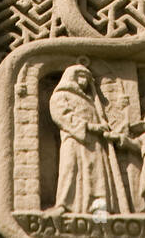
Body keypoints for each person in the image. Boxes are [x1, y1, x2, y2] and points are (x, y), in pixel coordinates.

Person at [48, 65, 124, 215]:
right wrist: (89, 127)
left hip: (94, 143)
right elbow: (62, 116)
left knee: (97, 175)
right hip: (74, 138)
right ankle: (64, 205)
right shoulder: (61, 96)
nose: (84, 81)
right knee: (70, 169)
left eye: (87, 78)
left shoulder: (90, 101)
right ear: (71, 77)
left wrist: (102, 127)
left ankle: (99, 209)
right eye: (81, 76)